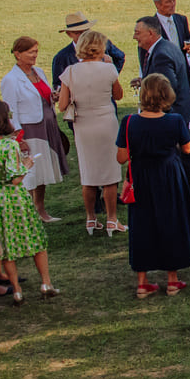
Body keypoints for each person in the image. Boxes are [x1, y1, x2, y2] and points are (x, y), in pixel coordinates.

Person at [115, 74, 190, 298]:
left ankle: (142, 282)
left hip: (141, 178)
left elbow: (121, 157)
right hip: (168, 177)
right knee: (171, 222)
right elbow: (186, 149)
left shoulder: (129, 122)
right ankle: (173, 280)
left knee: (142, 226)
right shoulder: (174, 120)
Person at [56, 29, 125, 236]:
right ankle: (112, 219)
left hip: (83, 125)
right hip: (106, 122)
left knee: (88, 173)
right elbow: (118, 95)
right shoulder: (108, 69)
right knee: (110, 175)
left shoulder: (70, 72)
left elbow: (62, 106)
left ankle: (91, 219)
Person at [0, 100, 56, 300]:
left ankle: (17, 289)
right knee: (37, 241)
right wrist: (27, 164)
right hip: (15, 198)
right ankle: (46, 283)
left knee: (6, 246)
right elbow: (16, 178)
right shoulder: (9, 145)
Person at [4, 37, 65, 223]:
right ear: (17, 54)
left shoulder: (38, 72)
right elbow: (11, 111)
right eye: (30, 52)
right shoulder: (11, 80)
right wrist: (18, 137)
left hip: (47, 126)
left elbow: (42, 95)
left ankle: (41, 209)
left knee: (42, 171)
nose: (34, 55)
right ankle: (29, 212)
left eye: (36, 51)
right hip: (30, 130)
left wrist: (53, 97)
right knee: (30, 172)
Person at [50, 11, 125, 89]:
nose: (83, 36)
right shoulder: (62, 57)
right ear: (69, 34)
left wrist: (111, 76)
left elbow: (120, 57)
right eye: (78, 33)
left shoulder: (104, 44)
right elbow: (58, 85)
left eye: (86, 31)